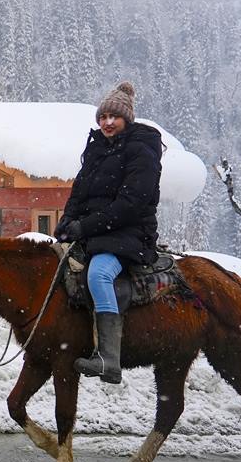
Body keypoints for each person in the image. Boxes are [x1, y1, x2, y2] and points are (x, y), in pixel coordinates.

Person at [54, 82, 162, 385]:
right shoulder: (98, 149)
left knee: (99, 274)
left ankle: (108, 359)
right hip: (96, 235)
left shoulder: (141, 149)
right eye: (103, 117)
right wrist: (68, 221)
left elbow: (130, 203)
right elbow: (80, 192)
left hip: (130, 234)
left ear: (127, 119)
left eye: (114, 117)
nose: (107, 123)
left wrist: (85, 227)